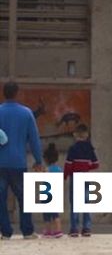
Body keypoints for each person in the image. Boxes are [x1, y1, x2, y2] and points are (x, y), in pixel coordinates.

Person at [0, 81, 43, 240]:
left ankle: (5, 232)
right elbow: (34, 139)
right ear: (17, 93)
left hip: (0, 163)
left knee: (1, 199)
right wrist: (38, 160)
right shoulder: (26, 113)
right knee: (24, 198)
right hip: (19, 162)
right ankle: (27, 231)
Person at [64, 124, 99, 237]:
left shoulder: (72, 149)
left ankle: (74, 228)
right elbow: (96, 164)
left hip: (75, 177)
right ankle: (86, 227)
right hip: (86, 177)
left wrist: (65, 176)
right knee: (86, 202)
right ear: (87, 135)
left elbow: (68, 165)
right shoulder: (90, 148)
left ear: (75, 135)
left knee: (74, 202)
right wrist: (86, 167)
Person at [41, 144, 63, 238]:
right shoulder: (59, 169)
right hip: (56, 194)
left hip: (47, 194)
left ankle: (48, 230)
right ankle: (58, 230)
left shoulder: (46, 170)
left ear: (45, 159)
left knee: (47, 215)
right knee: (55, 214)